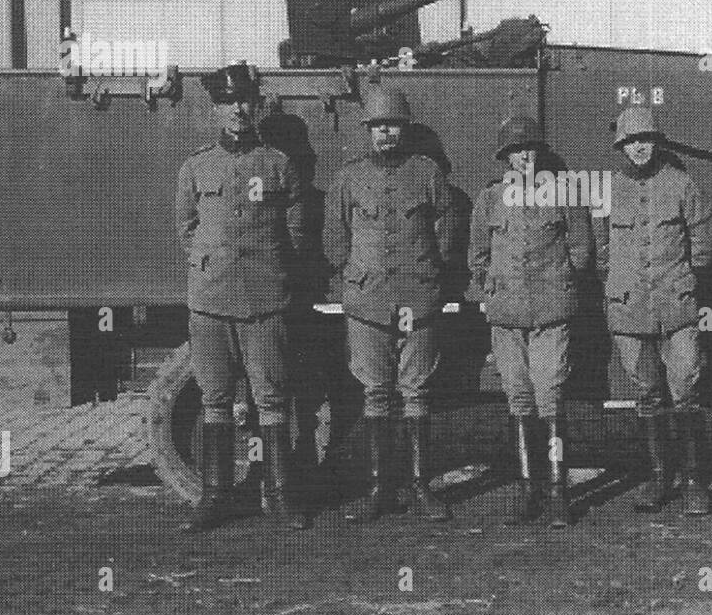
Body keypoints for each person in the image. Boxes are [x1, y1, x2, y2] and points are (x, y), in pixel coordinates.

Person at [176, 62, 308, 531]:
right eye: (227, 102)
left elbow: (294, 226)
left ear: (256, 105)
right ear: (215, 109)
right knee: (215, 398)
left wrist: (270, 267)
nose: (237, 109)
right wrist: (213, 263)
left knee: (271, 399)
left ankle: (279, 496)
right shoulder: (196, 166)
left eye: (244, 100)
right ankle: (216, 498)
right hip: (210, 301)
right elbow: (187, 229)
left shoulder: (277, 164)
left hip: (263, 299)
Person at [324, 86, 454, 522]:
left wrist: (429, 271)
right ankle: (381, 487)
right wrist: (359, 273)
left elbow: (445, 233)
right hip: (370, 301)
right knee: (376, 392)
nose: (386, 134)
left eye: (393, 126)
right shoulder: (349, 177)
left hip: (418, 296)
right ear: (368, 132)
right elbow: (335, 239)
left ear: (404, 129)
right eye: (378, 127)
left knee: (417, 391)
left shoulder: (428, 173)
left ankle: (420, 486)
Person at [468, 115, 592, 527]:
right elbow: (478, 255)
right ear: (505, 157)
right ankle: (528, 489)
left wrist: (558, 283)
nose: (524, 157)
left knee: (550, 393)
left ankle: (558, 491)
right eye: (516, 151)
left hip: (551, 310)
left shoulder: (563, 193)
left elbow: (580, 248)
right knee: (518, 395)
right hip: (506, 314)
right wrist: (493, 289)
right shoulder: (491, 198)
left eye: (530, 149)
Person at [595, 106, 712, 516]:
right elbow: (598, 248)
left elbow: (704, 241)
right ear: (622, 147)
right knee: (646, 393)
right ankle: (660, 477)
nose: (639, 147)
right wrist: (619, 281)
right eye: (631, 141)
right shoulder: (608, 191)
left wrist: (683, 279)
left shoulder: (681, 184)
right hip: (629, 311)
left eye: (645, 139)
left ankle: (695, 480)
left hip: (676, 307)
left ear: (656, 142)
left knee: (686, 388)